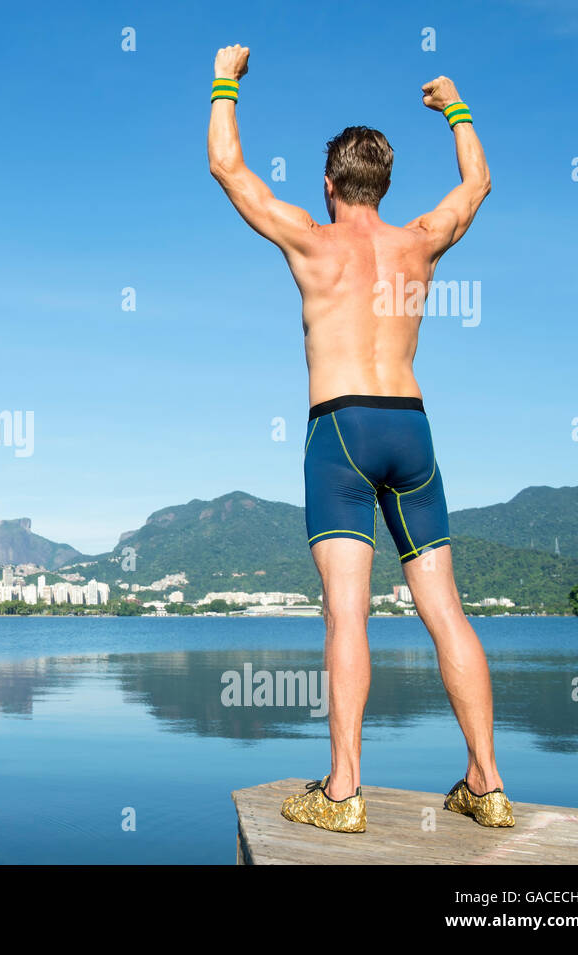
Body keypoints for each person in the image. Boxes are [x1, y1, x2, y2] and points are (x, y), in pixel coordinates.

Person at [207, 44, 513, 833]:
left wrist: (225, 79)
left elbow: (228, 169)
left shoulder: (312, 241)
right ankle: (487, 783)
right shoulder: (419, 242)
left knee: (348, 614)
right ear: (383, 185)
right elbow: (477, 184)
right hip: (411, 427)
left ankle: (344, 792)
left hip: (341, 429)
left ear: (329, 183)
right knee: (445, 610)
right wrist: (455, 105)